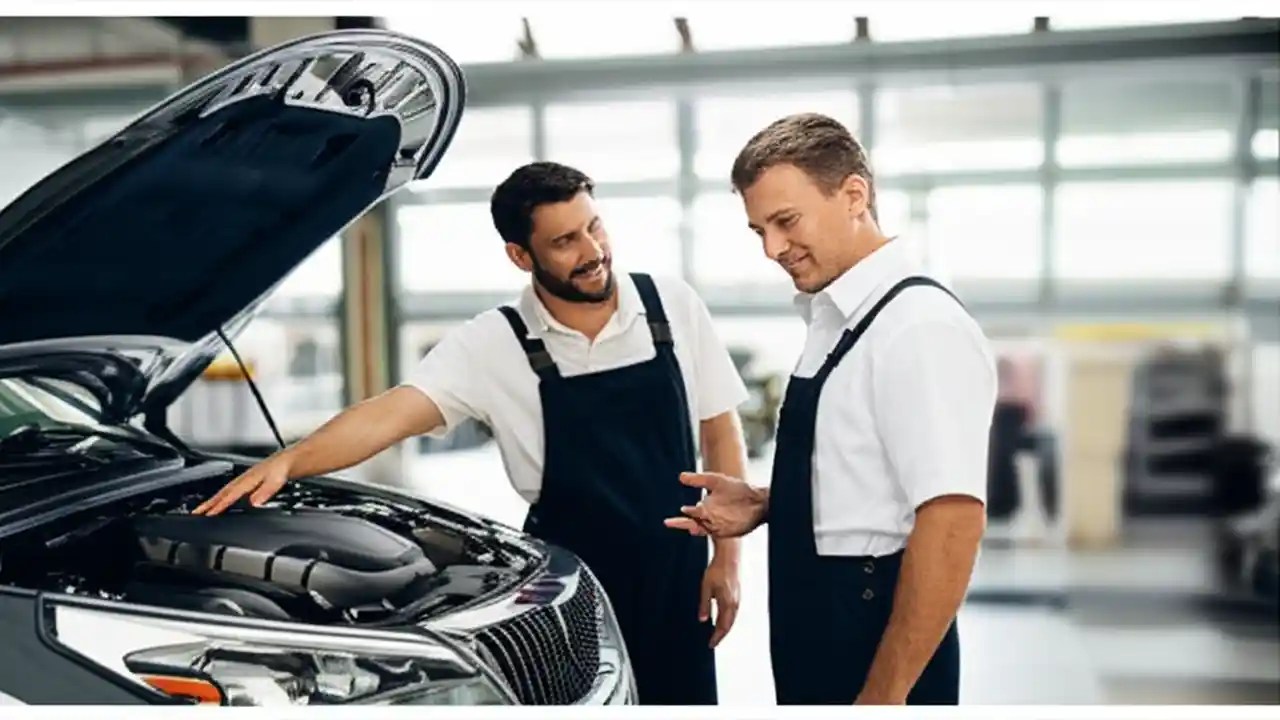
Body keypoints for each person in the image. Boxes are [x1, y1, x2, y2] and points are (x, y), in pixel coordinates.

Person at [193, 161, 749, 706]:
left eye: (594, 226)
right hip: (566, 590)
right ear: (520, 255)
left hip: (679, 578)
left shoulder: (672, 306)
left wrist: (727, 560)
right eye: (565, 242)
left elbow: (722, 431)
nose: (593, 252)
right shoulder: (492, 343)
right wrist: (290, 461)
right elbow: (390, 414)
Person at [666, 113, 996, 706]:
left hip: (871, 640)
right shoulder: (835, 317)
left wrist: (884, 697)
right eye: (758, 230)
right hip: (818, 627)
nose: (772, 248)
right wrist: (774, 504)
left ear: (853, 196)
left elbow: (952, 522)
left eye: (786, 221)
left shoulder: (917, 326)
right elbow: (870, 483)